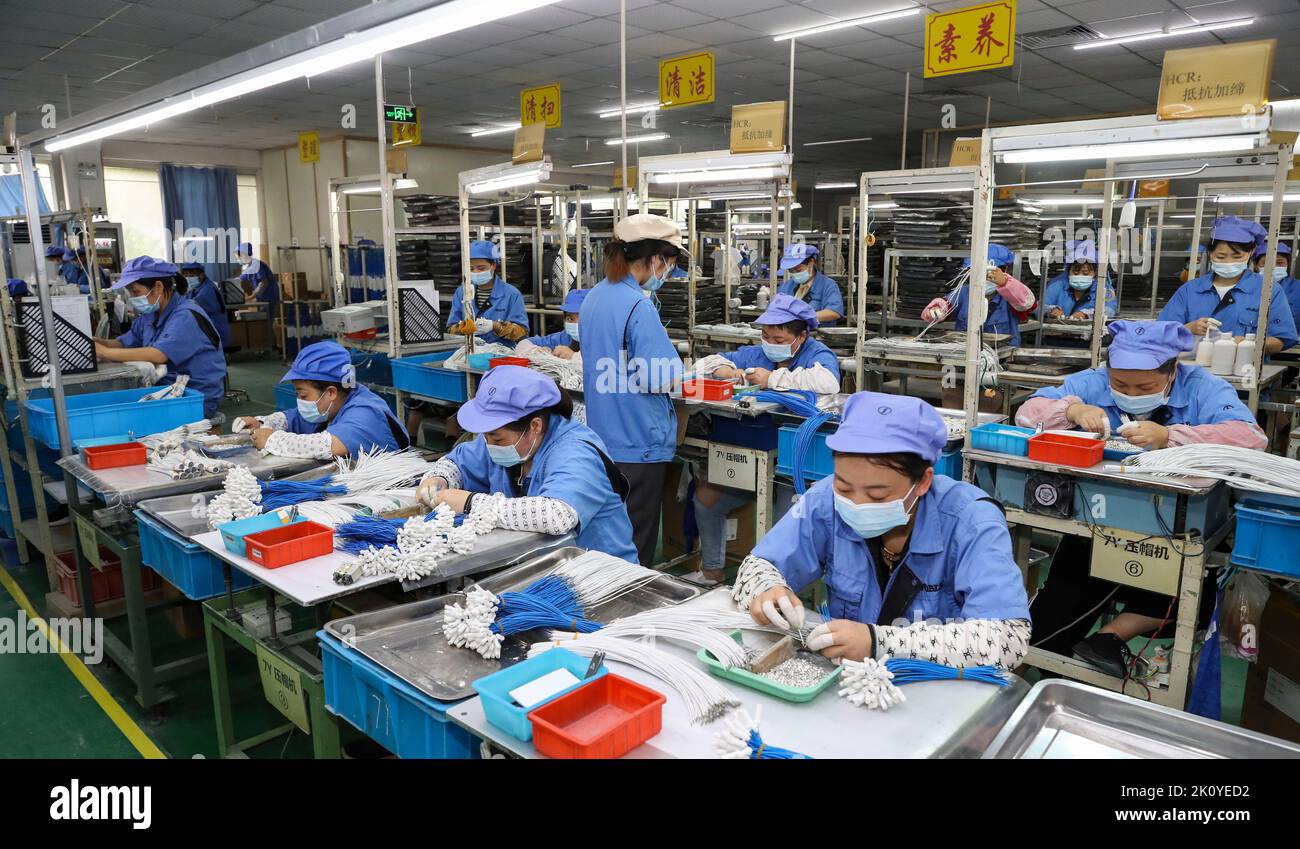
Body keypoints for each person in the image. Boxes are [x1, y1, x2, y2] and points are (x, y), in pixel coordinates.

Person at [1015, 319, 1267, 676]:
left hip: (1174, 532)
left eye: (1144, 386)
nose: (1131, 394)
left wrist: (1170, 435)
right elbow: (1027, 411)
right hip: (1097, 523)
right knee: (1054, 616)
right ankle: (1049, 666)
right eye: (1120, 384)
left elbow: (1250, 438)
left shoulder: (1203, 388)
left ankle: (1112, 635)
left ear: (1173, 372)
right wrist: (1073, 410)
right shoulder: (1092, 382)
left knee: (1186, 598)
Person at [734, 392, 1030, 669]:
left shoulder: (972, 521)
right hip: (852, 681)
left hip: (934, 688)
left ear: (924, 481)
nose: (856, 504)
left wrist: (881, 643)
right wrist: (768, 589)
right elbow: (758, 565)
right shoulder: (825, 500)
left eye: (877, 495)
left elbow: (1008, 639)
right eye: (844, 486)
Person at [686, 293, 841, 585]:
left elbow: (828, 382)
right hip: (744, 449)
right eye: (765, 335)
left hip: (787, 461)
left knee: (785, 523)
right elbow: (703, 363)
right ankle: (712, 571)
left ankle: (777, 587)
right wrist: (724, 370)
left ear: (802, 336)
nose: (770, 343)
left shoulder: (816, 354)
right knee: (705, 501)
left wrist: (772, 380)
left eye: (779, 339)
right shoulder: (756, 354)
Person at [415, 366, 636, 562]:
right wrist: (439, 478)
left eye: (496, 437)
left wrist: (471, 503)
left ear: (535, 426)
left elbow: (558, 515)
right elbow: (459, 461)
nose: (488, 443)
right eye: (485, 436)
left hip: (599, 576)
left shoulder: (577, 452)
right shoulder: (502, 440)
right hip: (543, 570)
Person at [579, 213, 685, 567]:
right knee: (636, 542)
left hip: (604, 436)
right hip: (638, 441)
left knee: (609, 535)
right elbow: (659, 377)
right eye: (669, 263)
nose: (668, 271)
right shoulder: (638, 305)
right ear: (656, 259)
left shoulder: (595, 296)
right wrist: (689, 369)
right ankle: (632, 610)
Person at [94, 257, 227, 419]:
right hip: (167, 390)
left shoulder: (185, 315)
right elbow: (123, 343)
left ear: (158, 287)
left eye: (135, 292)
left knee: (119, 417)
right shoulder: (150, 315)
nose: (132, 298)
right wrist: (95, 342)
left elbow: (158, 355)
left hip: (193, 397)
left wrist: (104, 352)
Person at [235, 341, 409, 459]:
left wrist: (273, 440)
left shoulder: (366, 412)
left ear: (331, 392)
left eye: (303, 396)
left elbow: (327, 445)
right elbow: (293, 418)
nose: (300, 402)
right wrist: (262, 424)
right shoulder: (331, 406)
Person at [1159, 216, 1298, 353]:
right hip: (1191, 369)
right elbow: (1160, 332)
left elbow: (1281, 340)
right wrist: (1188, 329)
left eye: (1237, 257)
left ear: (1251, 252)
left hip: (1244, 371)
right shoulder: (1190, 290)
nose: (1228, 262)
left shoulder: (1267, 290)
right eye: (1220, 256)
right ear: (1210, 253)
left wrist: (1249, 344)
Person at [922, 243, 1036, 347]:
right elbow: (947, 304)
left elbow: (1029, 304)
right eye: (979, 271)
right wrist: (937, 310)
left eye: (990, 272)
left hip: (1002, 357)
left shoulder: (1012, 296)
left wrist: (1006, 283)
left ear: (1005, 269)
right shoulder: (965, 292)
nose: (985, 277)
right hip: (966, 354)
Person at [446, 240, 528, 347]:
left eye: (481, 268)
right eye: (471, 268)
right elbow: (450, 329)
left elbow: (522, 332)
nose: (476, 272)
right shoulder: (462, 292)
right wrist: (463, 328)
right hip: (468, 352)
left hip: (501, 355)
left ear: (493, 265)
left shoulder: (511, 294)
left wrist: (495, 326)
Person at [1041, 239, 1116, 321]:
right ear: (1068, 270)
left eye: (1085, 273)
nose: (1080, 275)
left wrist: (1086, 314)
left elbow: (1109, 309)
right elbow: (1038, 306)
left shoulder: (1104, 288)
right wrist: (1051, 310)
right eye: (1076, 272)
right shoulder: (1057, 284)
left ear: (1095, 273)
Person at [775, 243, 843, 326]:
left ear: (811, 263)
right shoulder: (786, 286)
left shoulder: (828, 285)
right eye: (791, 271)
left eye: (798, 270)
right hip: (791, 336)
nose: (794, 273)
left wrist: (805, 316)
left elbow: (834, 312)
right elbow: (775, 310)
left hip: (817, 335)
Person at [515, 288, 586, 361]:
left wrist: (573, 356)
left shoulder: (597, 339)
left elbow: (596, 362)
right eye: (570, 319)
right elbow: (523, 344)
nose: (575, 324)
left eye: (582, 318)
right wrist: (537, 351)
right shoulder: (565, 337)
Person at [1253, 241, 1300, 343]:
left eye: (1280, 263)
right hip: (1251, 345)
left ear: (1287, 265)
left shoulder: (1297, 288)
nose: (1273, 267)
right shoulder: (1248, 287)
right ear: (1256, 266)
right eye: (1267, 263)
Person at [181, 262, 230, 348]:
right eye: (186, 276)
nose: (188, 278)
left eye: (192, 276)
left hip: (214, 329)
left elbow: (191, 305)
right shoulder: (195, 288)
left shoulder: (208, 289)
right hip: (206, 329)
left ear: (202, 275)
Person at [236, 241, 279, 321]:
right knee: (264, 324)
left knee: (267, 324)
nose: (238, 258)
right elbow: (240, 279)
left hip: (269, 298)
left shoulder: (256, 265)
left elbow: (264, 283)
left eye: (239, 256)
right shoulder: (250, 267)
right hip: (263, 299)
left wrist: (250, 297)